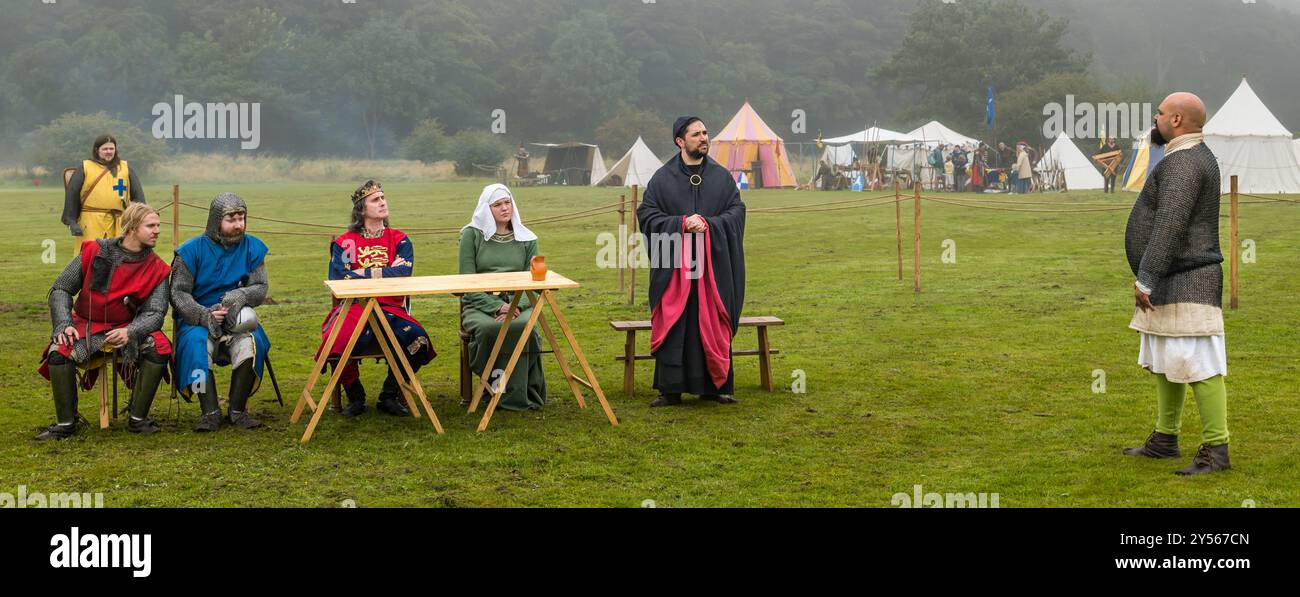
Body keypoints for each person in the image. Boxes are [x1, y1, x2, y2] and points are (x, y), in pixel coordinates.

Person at [1122, 92, 1231, 475]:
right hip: (1176, 275)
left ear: (1178, 121)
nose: (1156, 118)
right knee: (1166, 359)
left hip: (1188, 277)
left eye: (1161, 113)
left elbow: (1170, 225)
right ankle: (1165, 438)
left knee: (1199, 363)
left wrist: (1146, 278)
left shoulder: (1186, 162)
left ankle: (1216, 450)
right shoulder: (1187, 156)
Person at [36, 203, 172, 439]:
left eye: (158, 225)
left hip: (127, 327)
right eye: (151, 226)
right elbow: (61, 289)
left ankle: (138, 418)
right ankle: (66, 423)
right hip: (87, 324)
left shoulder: (157, 268)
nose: (157, 230)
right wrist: (63, 324)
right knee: (59, 352)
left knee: (159, 348)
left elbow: (156, 313)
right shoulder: (94, 251)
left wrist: (131, 331)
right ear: (131, 228)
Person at [637, 116, 746, 407]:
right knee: (676, 323)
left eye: (705, 133)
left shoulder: (722, 178)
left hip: (713, 268)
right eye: (696, 134)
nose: (704, 138)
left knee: (713, 321)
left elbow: (736, 211)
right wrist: (681, 223)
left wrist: (709, 225)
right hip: (675, 269)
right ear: (680, 141)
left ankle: (716, 386)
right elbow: (647, 215)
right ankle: (670, 390)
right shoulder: (662, 179)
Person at [319, 180, 435, 417]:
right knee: (336, 342)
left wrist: (362, 272)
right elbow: (340, 280)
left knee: (419, 341)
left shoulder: (399, 239)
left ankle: (389, 395)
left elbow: (403, 273)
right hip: (355, 307)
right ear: (362, 210)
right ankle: (355, 395)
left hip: (390, 308)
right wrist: (384, 271)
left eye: (383, 198)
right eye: (375, 200)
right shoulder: (345, 243)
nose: (383, 202)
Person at [171, 193, 271, 431]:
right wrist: (203, 315)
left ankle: (237, 411)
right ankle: (209, 412)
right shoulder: (190, 251)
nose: (238, 225)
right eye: (231, 219)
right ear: (216, 221)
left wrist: (241, 296)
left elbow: (260, 287)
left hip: (236, 318)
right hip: (197, 319)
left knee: (253, 342)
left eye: (241, 218)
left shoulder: (252, 248)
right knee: (195, 347)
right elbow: (178, 293)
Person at [458, 184, 547, 411]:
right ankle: (497, 388)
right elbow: (467, 281)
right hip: (481, 304)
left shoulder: (527, 238)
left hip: (521, 302)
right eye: (497, 205)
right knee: (491, 329)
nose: (504, 208)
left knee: (522, 325)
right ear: (487, 209)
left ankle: (518, 393)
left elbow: (536, 281)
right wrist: (497, 307)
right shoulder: (471, 235)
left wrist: (515, 306)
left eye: (507, 203)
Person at [62, 135, 148, 254]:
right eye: (105, 149)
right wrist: (71, 222)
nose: (109, 152)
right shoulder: (85, 167)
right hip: (91, 222)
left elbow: (139, 199)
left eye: (111, 149)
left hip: (119, 223)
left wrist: (141, 219)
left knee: (120, 258)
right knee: (90, 257)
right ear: (97, 150)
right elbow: (72, 195)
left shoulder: (125, 168)